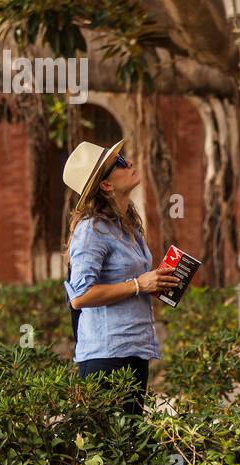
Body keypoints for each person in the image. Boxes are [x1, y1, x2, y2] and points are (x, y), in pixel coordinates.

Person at [61, 140, 178, 414]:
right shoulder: (92, 230)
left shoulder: (128, 226)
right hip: (105, 354)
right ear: (106, 185)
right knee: (111, 449)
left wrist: (157, 280)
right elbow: (79, 296)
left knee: (131, 445)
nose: (130, 163)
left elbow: (130, 282)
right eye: (121, 163)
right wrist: (139, 284)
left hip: (135, 347)